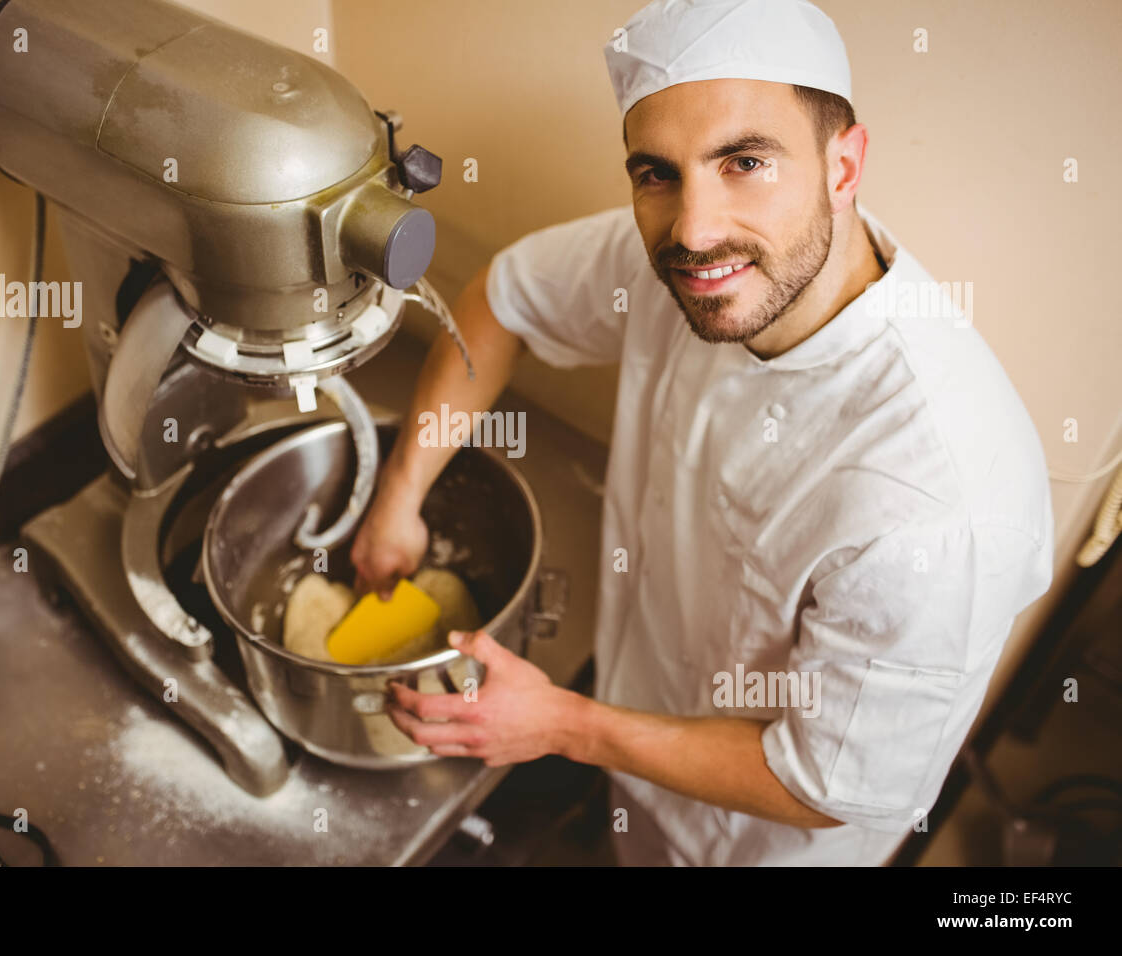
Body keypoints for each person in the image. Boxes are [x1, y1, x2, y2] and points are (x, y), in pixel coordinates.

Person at [350, 0, 1054, 865]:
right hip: (629, 733)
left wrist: (565, 726)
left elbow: (821, 784)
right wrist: (400, 496)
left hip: (753, 843)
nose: (693, 229)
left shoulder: (937, 494)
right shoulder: (689, 262)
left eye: (745, 161)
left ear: (844, 165)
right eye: (656, 173)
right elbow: (504, 297)